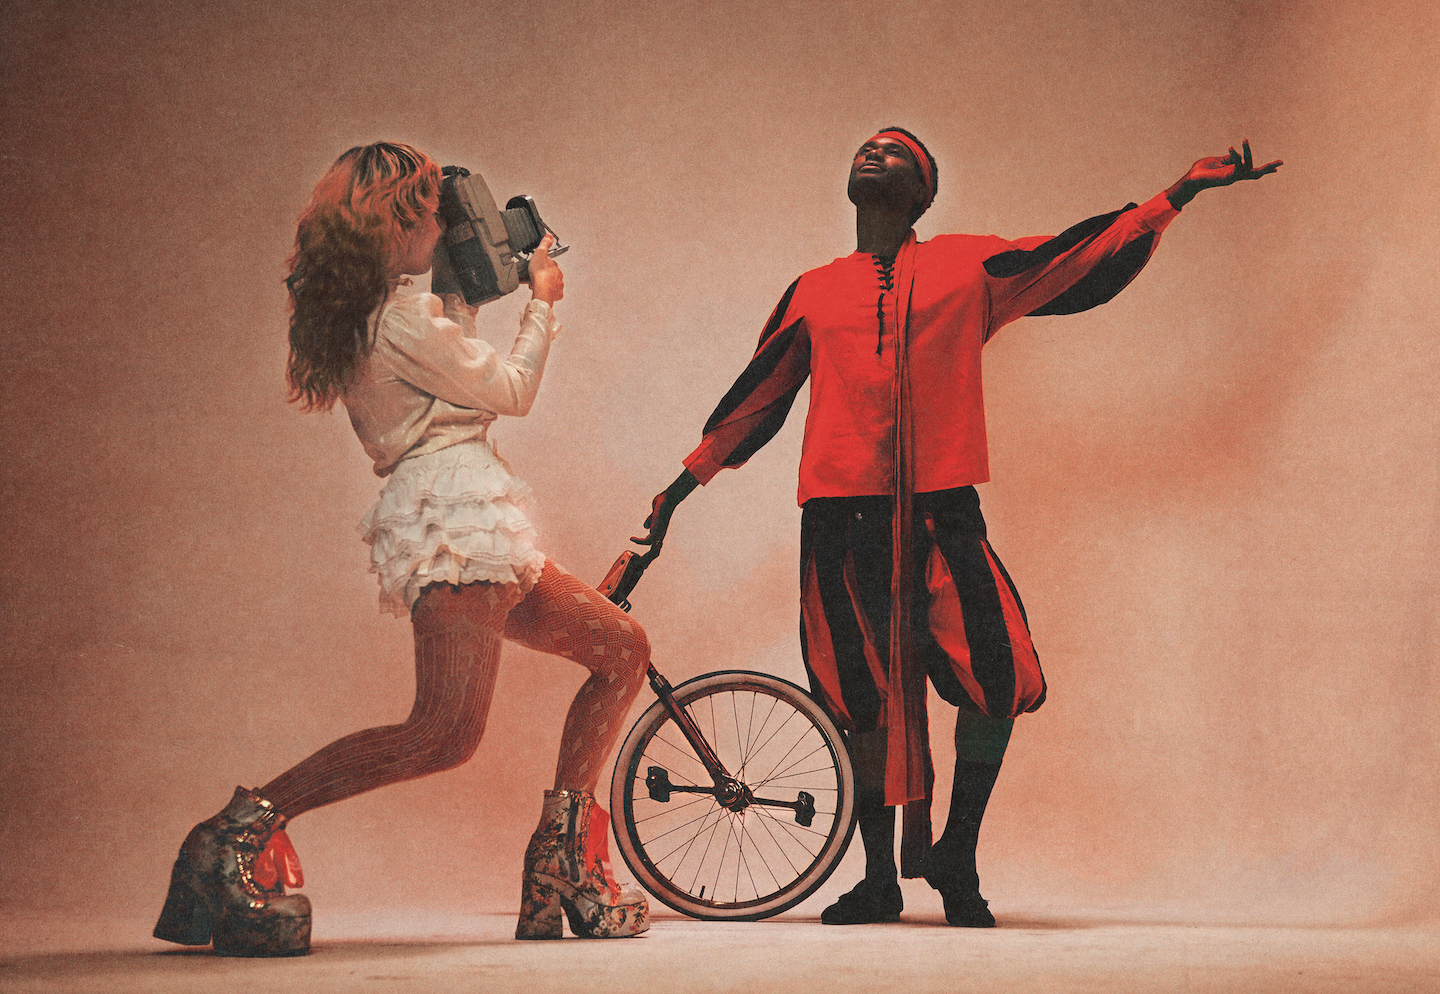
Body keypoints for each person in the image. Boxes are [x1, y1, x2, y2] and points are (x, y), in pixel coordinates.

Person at [634, 129, 1281, 928]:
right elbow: (756, 397)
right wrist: (678, 489)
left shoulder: (969, 268)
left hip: (942, 510)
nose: (875, 153)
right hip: (840, 517)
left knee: (998, 673)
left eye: (897, 152)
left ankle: (957, 852)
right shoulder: (813, 290)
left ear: (923, 194)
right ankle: (878, 879)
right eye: (867, 148)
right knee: (861, 698)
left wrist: (1176, 194)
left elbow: (1074, 258)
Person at [153, 142, 650, 956]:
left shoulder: (381, 316)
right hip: (457, 520)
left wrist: (461, 298)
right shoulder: (399, 319)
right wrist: (543, 302)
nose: (438, 228)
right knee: (442, 733)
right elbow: (511, 390)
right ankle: (233, 835)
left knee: (621, 648)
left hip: (471, 516)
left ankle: (559, 862)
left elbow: (452, 375)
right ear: (391, 225)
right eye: (426, 216)